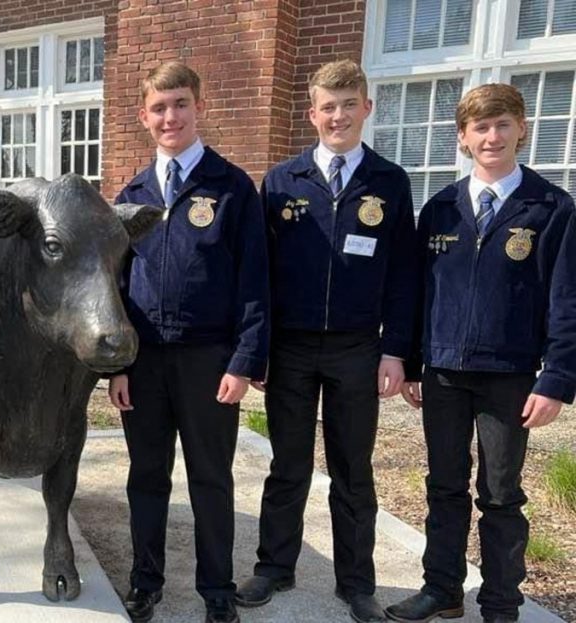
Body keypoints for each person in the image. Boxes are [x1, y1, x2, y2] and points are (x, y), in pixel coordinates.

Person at [385, 84, 576, 623]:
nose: (491, 136)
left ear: (522, 128)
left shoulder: (552, 209)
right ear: (463, 139)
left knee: (499, 494)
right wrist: (410, 362)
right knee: (444, 486)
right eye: (479, 128)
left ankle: (499, 603)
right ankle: (442, 590)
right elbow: (416, 293)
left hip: (508, 376)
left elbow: (568, 302)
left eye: (502, 125)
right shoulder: (442, 209)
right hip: (443, 373)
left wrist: (556, 377)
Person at [234, 60, 417, 623]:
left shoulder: (389, 182)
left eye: (348, 104)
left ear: (367, 108)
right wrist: (257, 348)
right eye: (327, 107)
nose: (338, 115)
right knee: (287, 464)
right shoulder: (283, 180)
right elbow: (259, 274)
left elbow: (404, 273)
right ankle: (274, 566)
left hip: (357, 348)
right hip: (290, 347)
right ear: (312, 114)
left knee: (352, 469)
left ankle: (357, 581)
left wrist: (397, 350)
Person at [108, 61, 269, 623]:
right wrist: (118, 367)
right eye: (158, 107)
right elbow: (117, 286)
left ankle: (217, 589)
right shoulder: (130, 196)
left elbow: (254, 281)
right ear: (143, 117)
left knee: (209, 478)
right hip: (145, 362)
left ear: (199, 106)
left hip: (209, 361)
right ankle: (144, 582)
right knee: (147, 478)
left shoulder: (231, 188)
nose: (169, 116)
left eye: (179, 104)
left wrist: (245, 360)